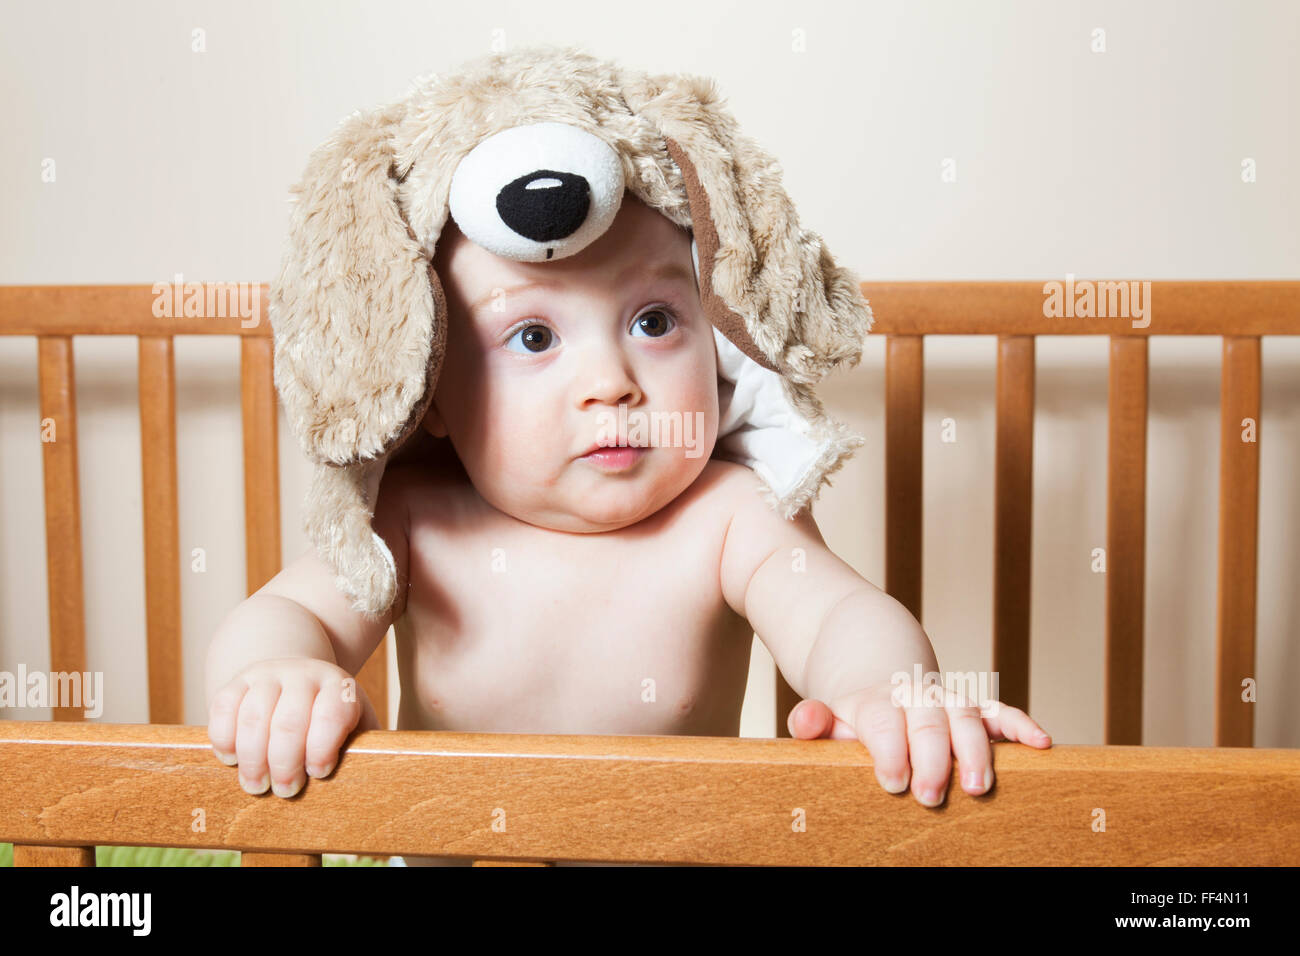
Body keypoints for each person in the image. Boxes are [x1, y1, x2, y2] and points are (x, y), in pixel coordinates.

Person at [205, 193, 1051, 866]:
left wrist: (881, 688)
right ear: (431, 390)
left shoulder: (729, 515)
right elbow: (294, 614)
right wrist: (278, 672)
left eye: (654, 321)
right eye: (533, 335)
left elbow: (837, 613)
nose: (610, 382)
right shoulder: (412, 520)